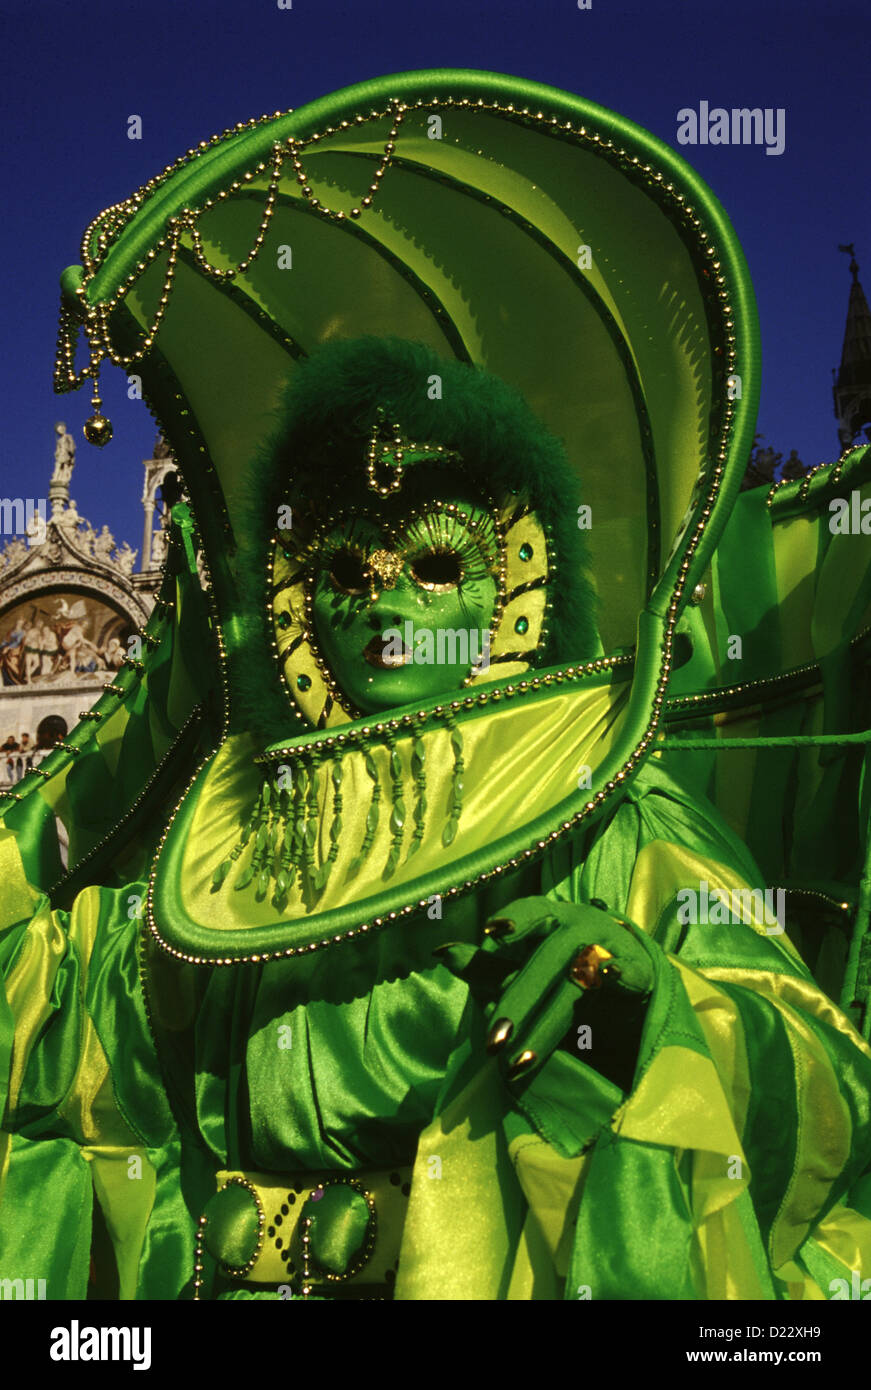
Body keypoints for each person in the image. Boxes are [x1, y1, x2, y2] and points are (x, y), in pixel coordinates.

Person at [1, 71, 870, 1304]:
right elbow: (52, 1042)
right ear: (299, 603)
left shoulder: (601, 810)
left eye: (435, 561)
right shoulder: (227, 854)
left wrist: (630, 1015)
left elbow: (813, 1076)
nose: (385, 603)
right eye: (344, 568)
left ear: (511, 577)